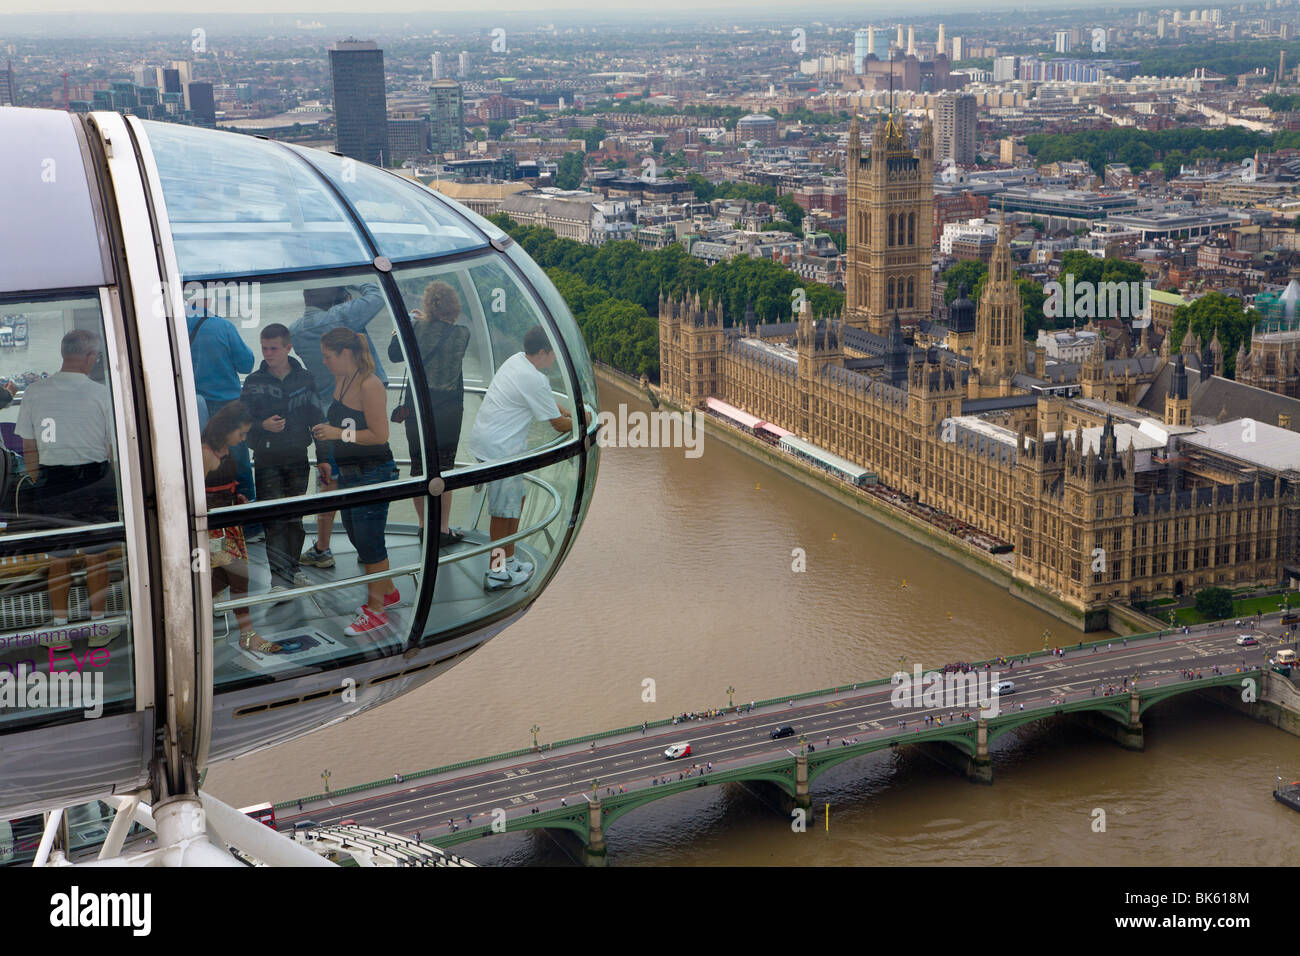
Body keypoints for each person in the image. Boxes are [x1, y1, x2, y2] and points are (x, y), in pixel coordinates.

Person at [17, 330, 119, 645]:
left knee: (58, 558)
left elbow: (28, 447)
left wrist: (40, 479)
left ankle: (59, 629)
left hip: (52, 480)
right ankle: (98, 628)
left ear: (64, 353)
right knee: (96, 556)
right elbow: (113, 450)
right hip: (93, 479)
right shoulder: (101, 394)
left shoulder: (35, 391)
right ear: (89, 356)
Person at [466, 325, 580, 591]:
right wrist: (581, 419)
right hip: (501, 452)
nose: (555, 358)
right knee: (502, 512)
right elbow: (559, 425)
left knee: (517, 501)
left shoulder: (517, 361)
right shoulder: (534, 378)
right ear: (543, 352)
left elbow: (548, 404)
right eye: (553, 353)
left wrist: (568, 412)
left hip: (493, 445)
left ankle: (509, 559)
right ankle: (496, 573)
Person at [291, 284, 388, 570]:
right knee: (363, 474)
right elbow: (377, 296)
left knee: (331, 478)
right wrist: (356, 282)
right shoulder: (339, 317)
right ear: (337, 299)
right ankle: (368, 549)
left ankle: (323, 546)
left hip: (330, 409)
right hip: (360, 409)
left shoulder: (296, 329)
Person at [311, 327, 398, 636]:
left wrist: (337, 434)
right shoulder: (342, 379)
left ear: (345, 354)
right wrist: (330, 433)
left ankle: (376, 612)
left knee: (371, 542)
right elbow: (345, 422)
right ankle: (387, 592)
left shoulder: (370, 385)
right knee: (356, 535)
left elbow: (380, 435)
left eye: (328, 356)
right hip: (349, 473)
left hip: (372, 472)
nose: (325, 362)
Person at [240, 324, 327, 593]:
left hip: (298, 457)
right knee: (274, 521)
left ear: (288, 348)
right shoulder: (253, 382)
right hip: (266, 460)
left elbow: (317, 420)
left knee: (294, 519)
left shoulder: (306, 378)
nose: (267, 353)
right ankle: (279, 580)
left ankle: (292, 570)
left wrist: (324, 458)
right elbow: (242, 422)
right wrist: (261, 426)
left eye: (273, 348)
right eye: (264, 348)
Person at [388, 281, 471, 547]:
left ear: (427, 305)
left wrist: (401, 330)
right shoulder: (462, 333)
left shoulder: (414, 331)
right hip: (448, 411)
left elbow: (394, 355)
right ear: (454, 307)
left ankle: (424, 527)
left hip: (418, 409)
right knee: (444, 470)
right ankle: (443, 529)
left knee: (418, 468)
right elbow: (444, 336)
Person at [202, 401, 280, 654]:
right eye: (242, 433)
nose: (243, 438)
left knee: (232, 577)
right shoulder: (205, 453)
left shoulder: (220, 449)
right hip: (214, 527)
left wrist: (235, 499)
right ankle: (247, 634)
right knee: (237, 575)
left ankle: (242, 632)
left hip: (227, 523)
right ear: (228, 428)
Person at [186, 290, 256, 505]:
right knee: (238, 462)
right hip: (227, 407)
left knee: (201, 463)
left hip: (192, 407)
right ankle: (250, 525)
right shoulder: (221, 326)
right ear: (208, 298)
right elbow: (246, 364)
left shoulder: (172, 326)